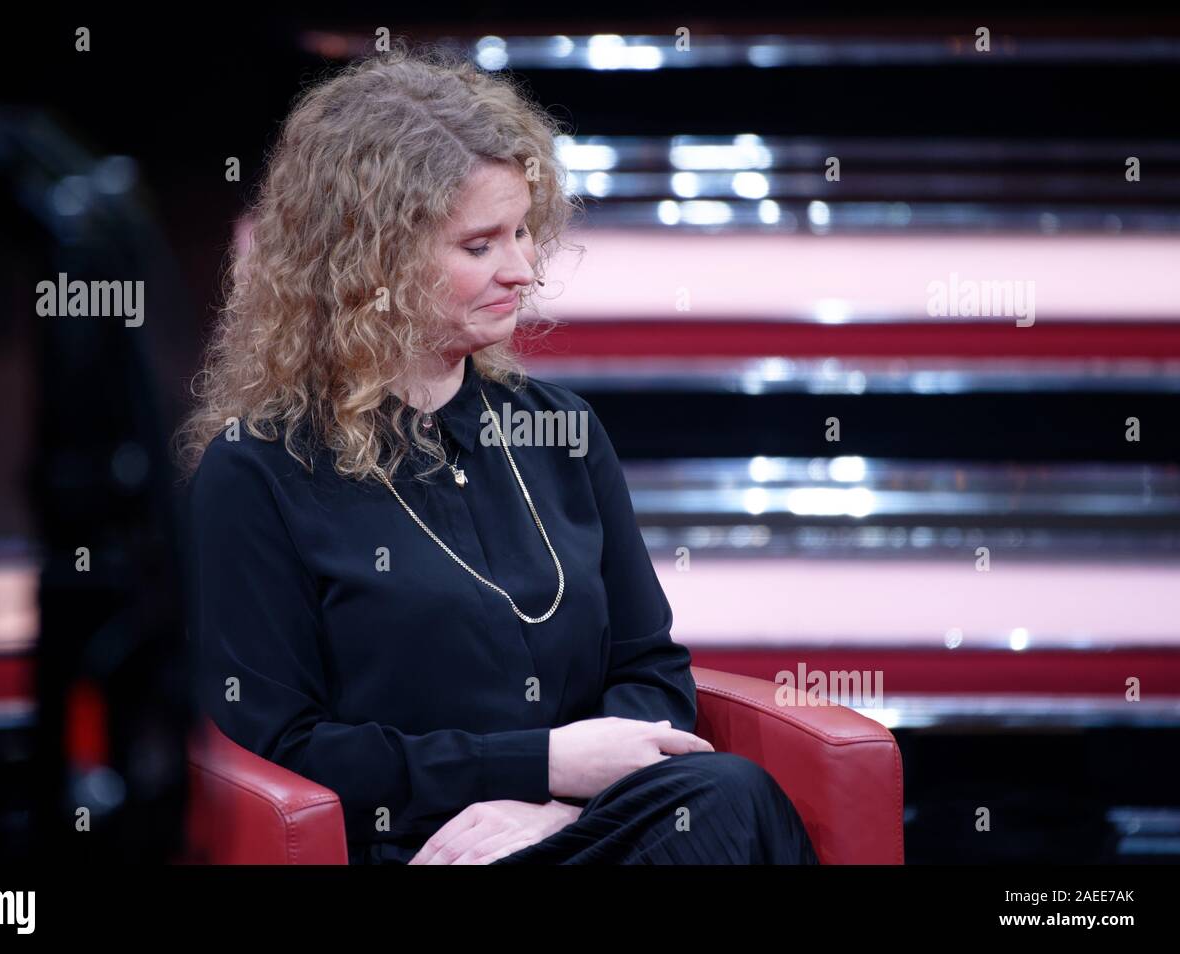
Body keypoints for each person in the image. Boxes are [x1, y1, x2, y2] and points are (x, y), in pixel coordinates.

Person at [175, 45, 818, 866]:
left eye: (522, 233)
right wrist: (534, 761)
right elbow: (278, 744)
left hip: (581, 822)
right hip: (423, 846)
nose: (522, 270)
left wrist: (552, 799)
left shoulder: (562, 431)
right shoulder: (258, 471)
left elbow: (649, 667)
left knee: (732, 798)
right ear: (371, 263)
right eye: (480, 246)